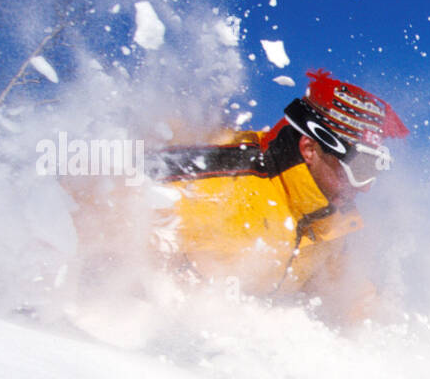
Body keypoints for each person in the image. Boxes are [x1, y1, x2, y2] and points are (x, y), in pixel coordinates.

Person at [143, 68, 409, 324]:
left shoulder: (331, 221)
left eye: (375, 170)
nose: (365, 188)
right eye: (360, 168)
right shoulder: (215, 186)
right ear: (310, 149)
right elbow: (118, 231)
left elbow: (349, 298)